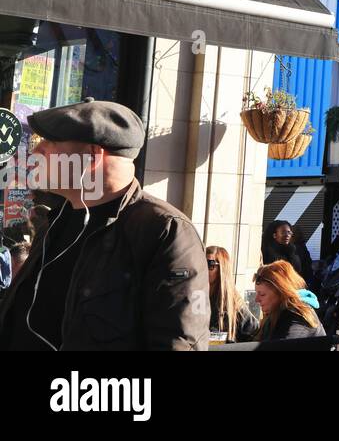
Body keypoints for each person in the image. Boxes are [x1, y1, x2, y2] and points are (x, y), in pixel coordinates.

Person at [0, 100, 208, 350]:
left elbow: (178, 342)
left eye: (49, 143)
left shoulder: (163, 231)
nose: (35, 154)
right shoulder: (54, 221)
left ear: (91, 157)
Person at [253, 260, 325, 340]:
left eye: (262, 294)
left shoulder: (297, 314)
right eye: (257, 293)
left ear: (281, 292)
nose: (257, 299)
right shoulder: (274, 314)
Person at [207, 246, 258, 343]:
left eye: (210, 265)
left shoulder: (236, 307)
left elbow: (253, 336)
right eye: (201, 264)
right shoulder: (194, 297)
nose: (204, 269)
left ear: (222, 269)